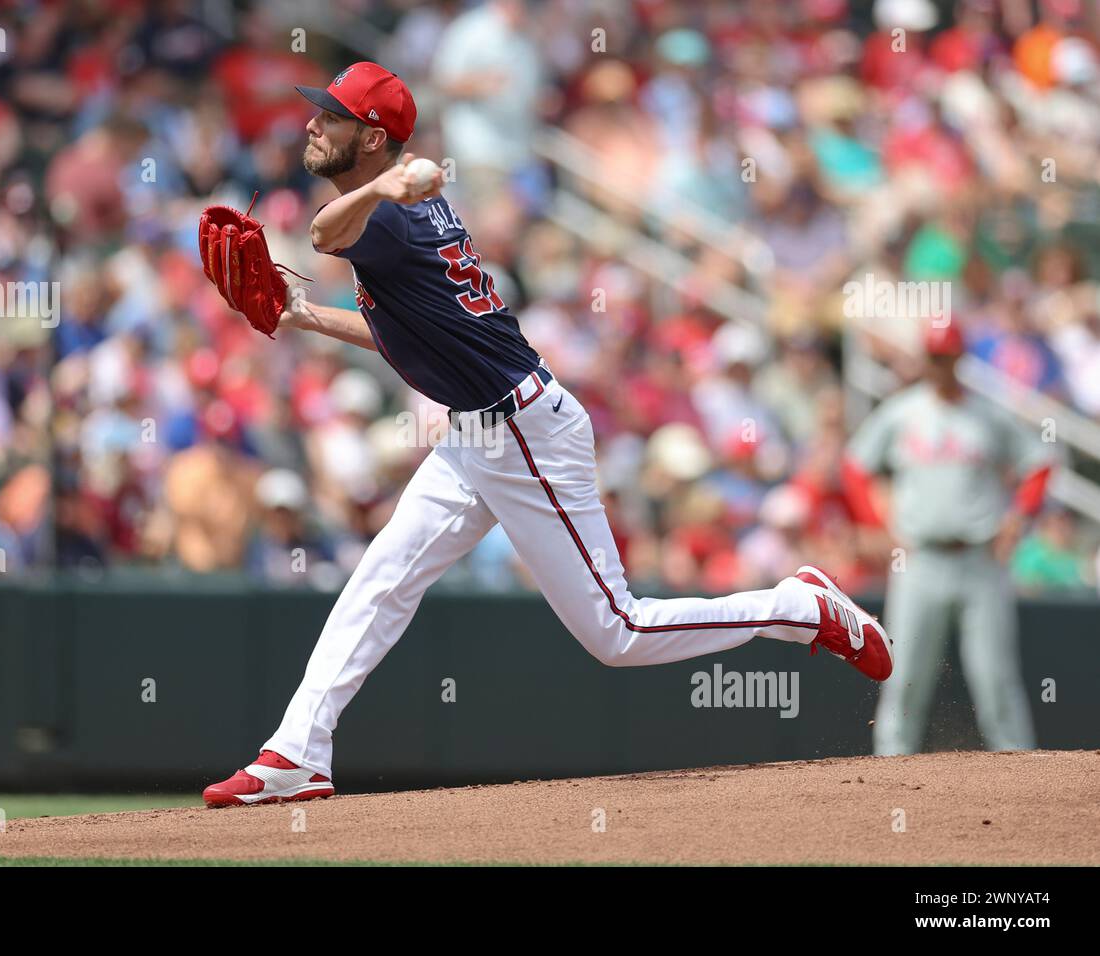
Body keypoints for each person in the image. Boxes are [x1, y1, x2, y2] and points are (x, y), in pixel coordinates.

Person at [202, 63, 894, 807]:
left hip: (523, 432)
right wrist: (305, 316)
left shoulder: (391, 211)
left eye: (330, 116)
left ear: (371, 138)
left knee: (617, 632)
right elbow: (399, 334)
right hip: (480, 433)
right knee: (379, 583)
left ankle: (800, 609)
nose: (311, 123)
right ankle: (296, 753)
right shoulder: (398, 211)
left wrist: (382, 188)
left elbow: (317, 232)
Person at [843, 321, 1051, 756]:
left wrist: (1019, 518)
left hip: (980, 560)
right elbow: (855, 465)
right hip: (921, 561)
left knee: (995, 678)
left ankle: (1020, 772)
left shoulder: (987, 415)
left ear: (959, 357)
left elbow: (1040, 462)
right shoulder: (902, 411)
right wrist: (875, 524)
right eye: (933, 356)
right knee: (903, 677)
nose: (939, 365)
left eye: (946, 356)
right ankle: (890, 772)